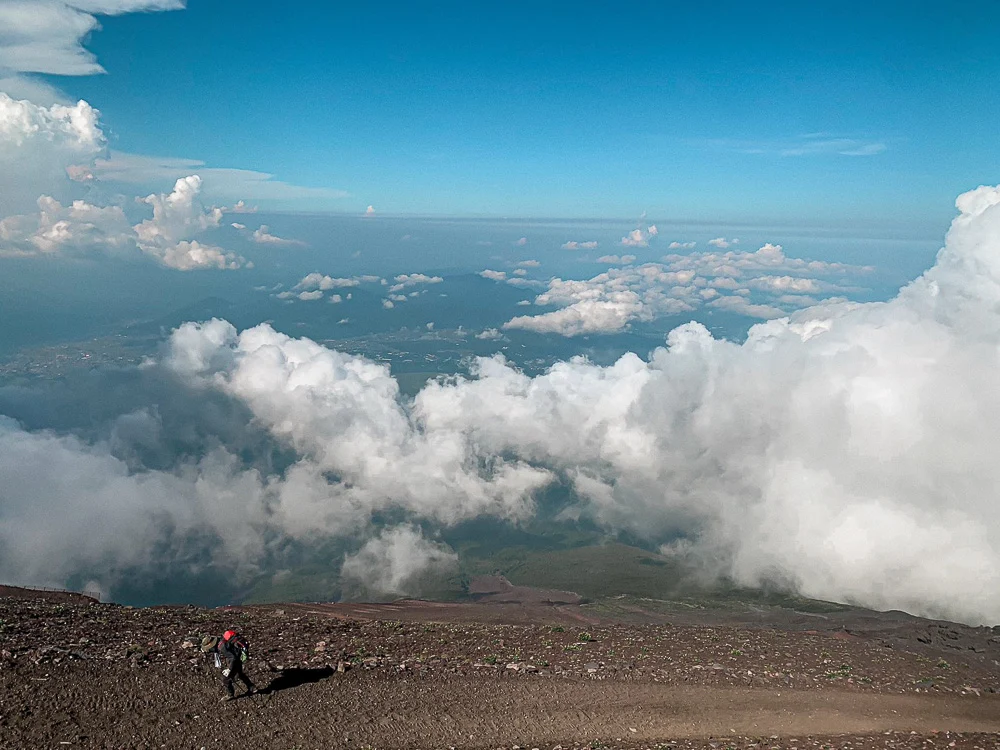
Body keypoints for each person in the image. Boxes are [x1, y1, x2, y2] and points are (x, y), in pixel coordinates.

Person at [200, 630, 256, 702]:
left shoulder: (222, 647)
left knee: (226, 680)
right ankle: (252, 687)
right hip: (238, 655)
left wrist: (229, 669)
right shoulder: (219, 640)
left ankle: (230, 694)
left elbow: (233, 658)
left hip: (235, 659)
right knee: (239, 674)